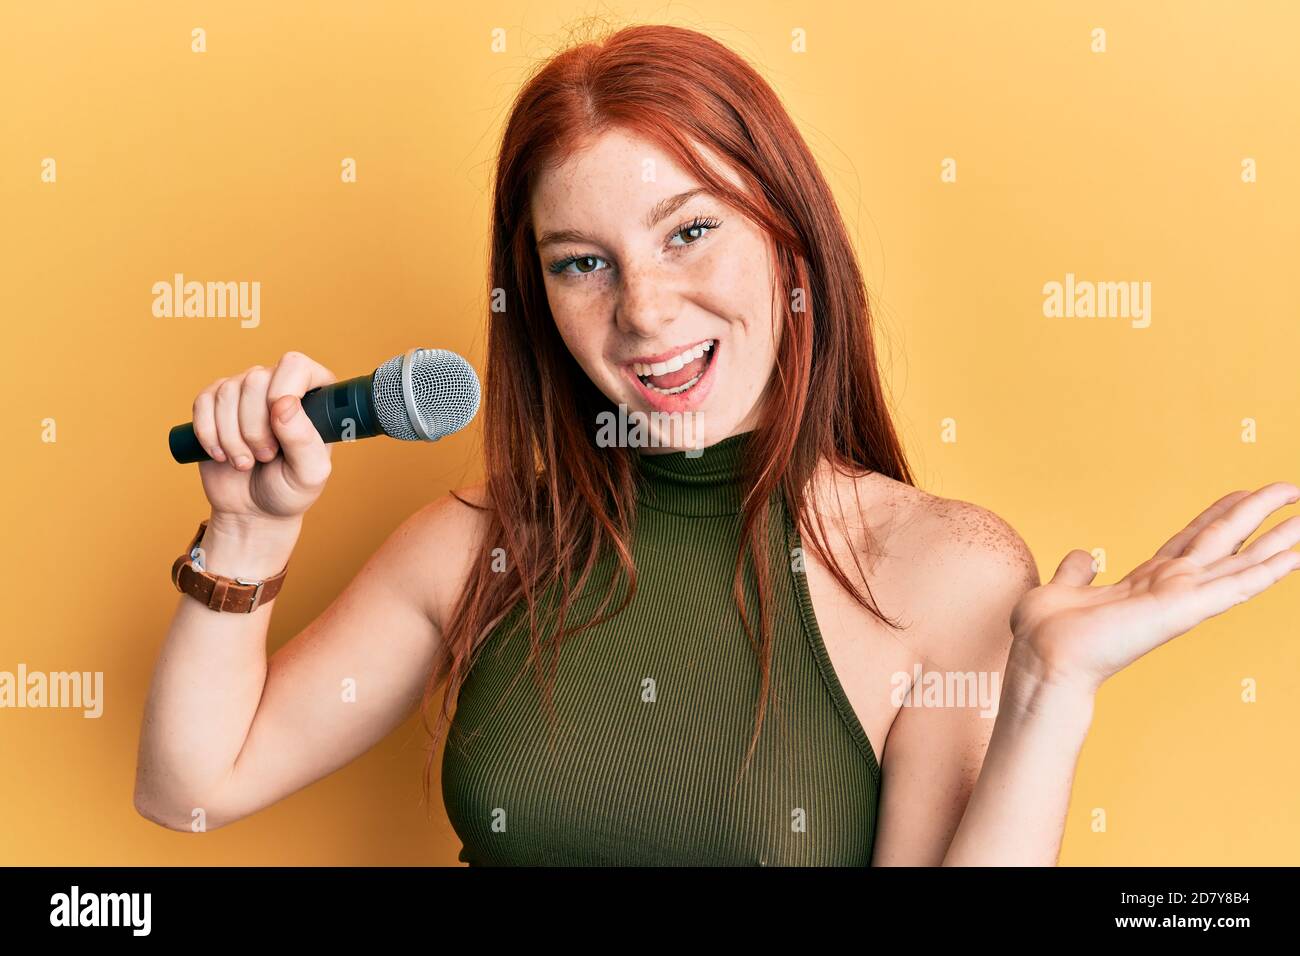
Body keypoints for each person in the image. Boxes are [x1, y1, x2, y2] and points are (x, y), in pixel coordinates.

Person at [134, 23, 1300, 866]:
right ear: (537, 297)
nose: (643, 310)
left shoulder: (942, 570)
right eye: (580, 261)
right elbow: (190, 790)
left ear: (789, 246)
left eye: (690, 232)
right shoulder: (480, 543)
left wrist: (1047, 693)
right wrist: (249, 523)